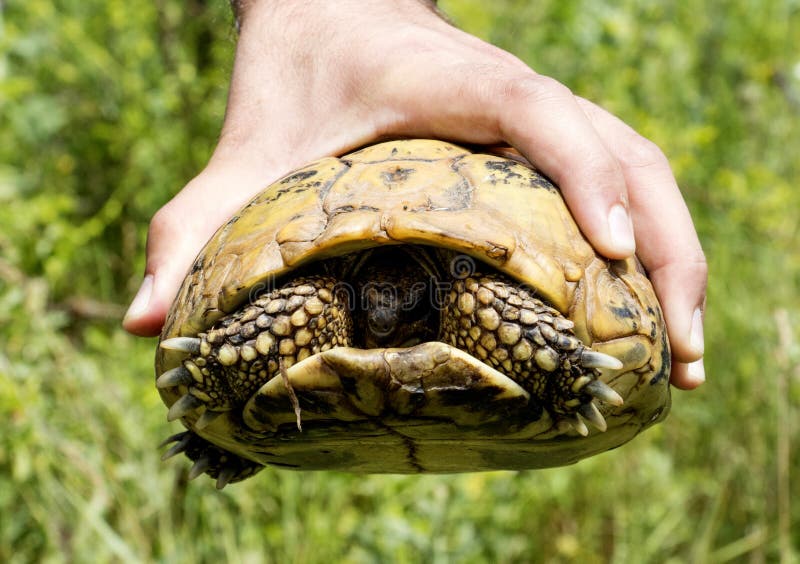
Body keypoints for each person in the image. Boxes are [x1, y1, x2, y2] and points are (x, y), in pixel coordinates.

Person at [122, 0, 706, 389]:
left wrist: (557, 359)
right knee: (280, 319)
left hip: (486, 308)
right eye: (376, 294)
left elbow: (486, 301)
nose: (383, 311)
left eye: (402, 297)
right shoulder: (317, 299)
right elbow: (291, 309)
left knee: (484, 303)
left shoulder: (471, 297)